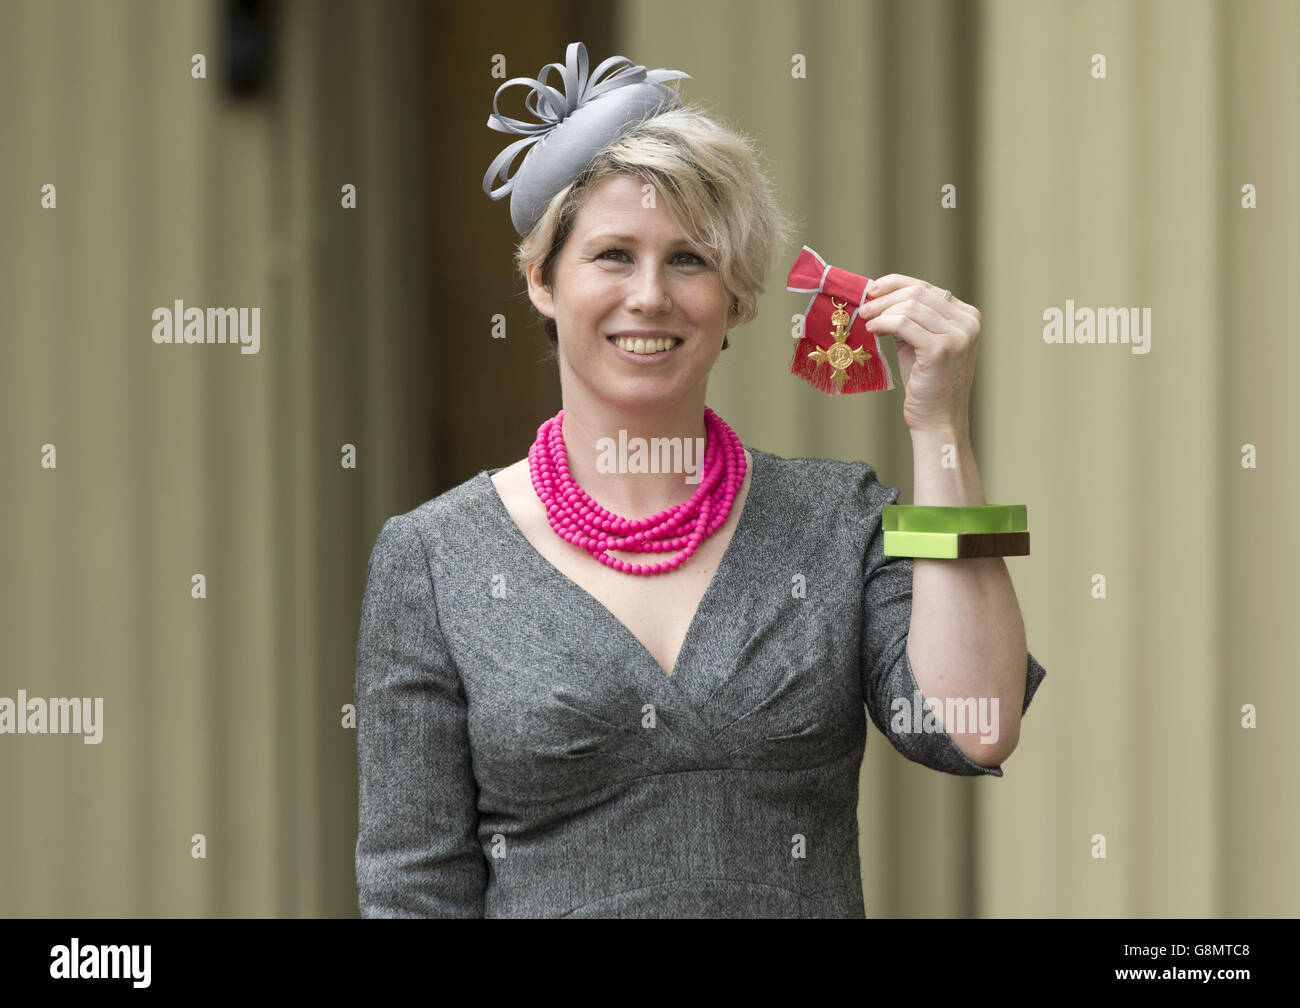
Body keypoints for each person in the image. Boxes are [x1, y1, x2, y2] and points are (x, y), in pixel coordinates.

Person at [354, 42, 1046, 918]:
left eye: (689, 259)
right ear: (541, 280)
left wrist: (940, 427)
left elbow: (977, 725)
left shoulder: (838, 519)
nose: (650, 295)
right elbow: (413, 892)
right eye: (612, 255)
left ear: (738, 296)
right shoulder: (434, 557)